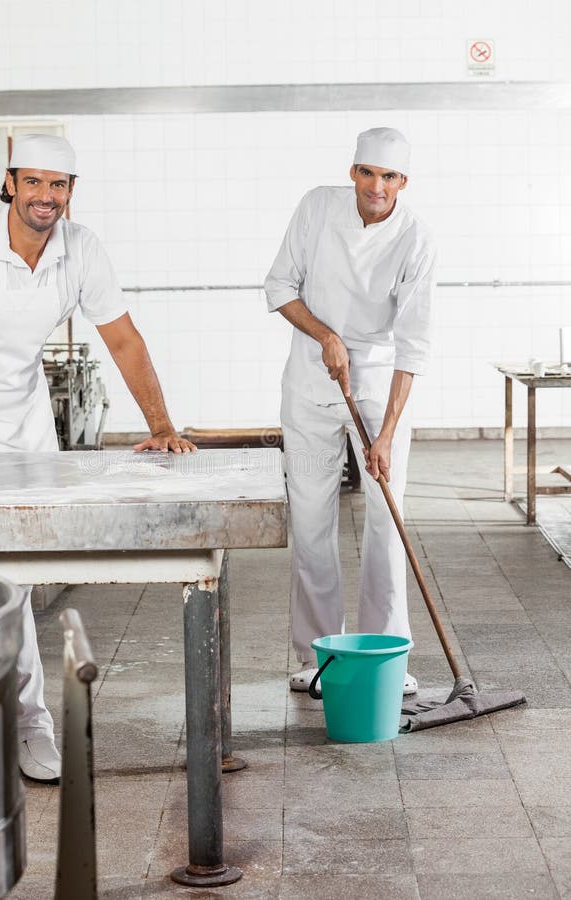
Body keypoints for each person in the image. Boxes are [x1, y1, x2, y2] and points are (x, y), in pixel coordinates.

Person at [0, 134, 196, 781]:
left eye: (57, 185)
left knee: (17, 584)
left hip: (30, 435)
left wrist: (162, 425)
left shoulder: (79, 250)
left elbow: (122, 339)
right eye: (33, 182)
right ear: (9, 184)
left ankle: (29, 726)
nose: (45, 197)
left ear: (70, 192)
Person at [264, 127, 435, 695]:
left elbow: (413, 347)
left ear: (403, 182)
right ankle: (319, 657)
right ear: (353, 172)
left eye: (389, 177)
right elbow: (280, 287)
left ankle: (388, 652)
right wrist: (324, 335)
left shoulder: (415, 239)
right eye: (368, 173)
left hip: (379, 386)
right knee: (311, 521)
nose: (376, 186)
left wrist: (384, 435)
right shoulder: (317, 207)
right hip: (311, 383)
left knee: (386, 522)